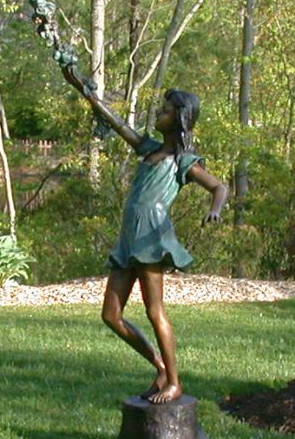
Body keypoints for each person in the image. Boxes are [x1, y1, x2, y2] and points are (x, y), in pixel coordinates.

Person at [64, 65, 228, 403]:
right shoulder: (149, 148)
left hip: (151, 236)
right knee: (111, 314)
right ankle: (159, 366)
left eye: (167, 110)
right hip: (129, 238)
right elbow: (119, 124)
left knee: (155, 311)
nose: (160, 113)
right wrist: (89, 95)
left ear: (180, 118)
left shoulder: (184, 161)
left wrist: (215, 209)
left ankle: (175, 382)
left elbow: (219, 186)